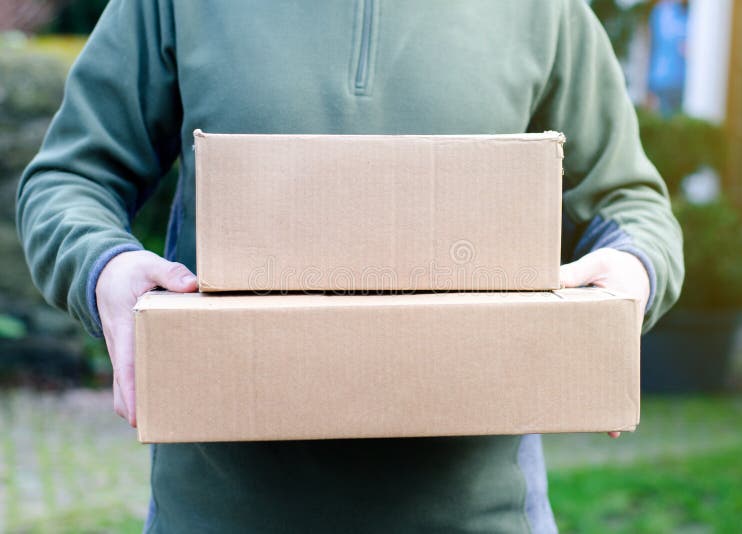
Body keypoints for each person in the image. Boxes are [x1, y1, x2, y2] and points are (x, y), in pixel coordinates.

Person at [17, 0, 683, 532]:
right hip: (219, 514)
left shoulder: (544, 9)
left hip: (481, 514)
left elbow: (632, 203)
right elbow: (69, 179)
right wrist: (102, 266)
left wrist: (633, 267)